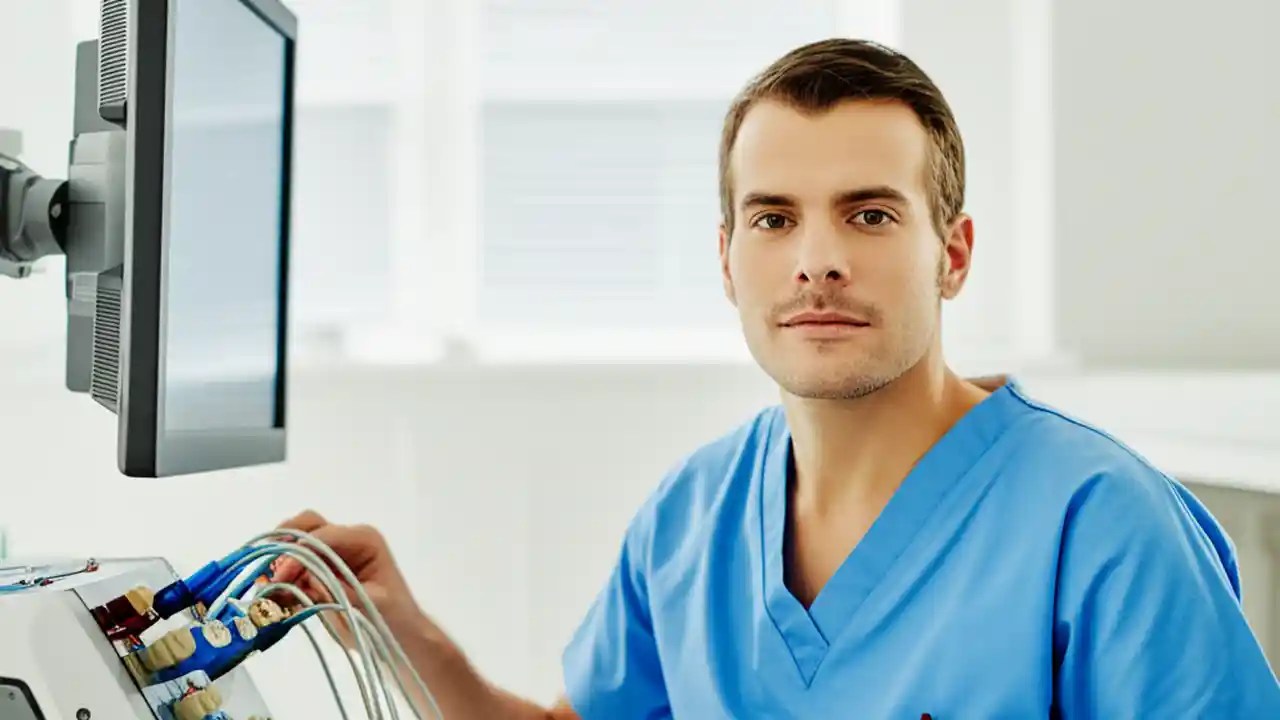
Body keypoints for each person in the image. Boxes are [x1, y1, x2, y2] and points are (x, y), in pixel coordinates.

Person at [272, 38, 1280, 718]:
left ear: (954, 254)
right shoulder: (689, 521)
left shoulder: (1103, 527)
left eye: (870, 214)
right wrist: (398, 634)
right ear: (726, 260)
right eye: (773, 218)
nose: (815, 262)